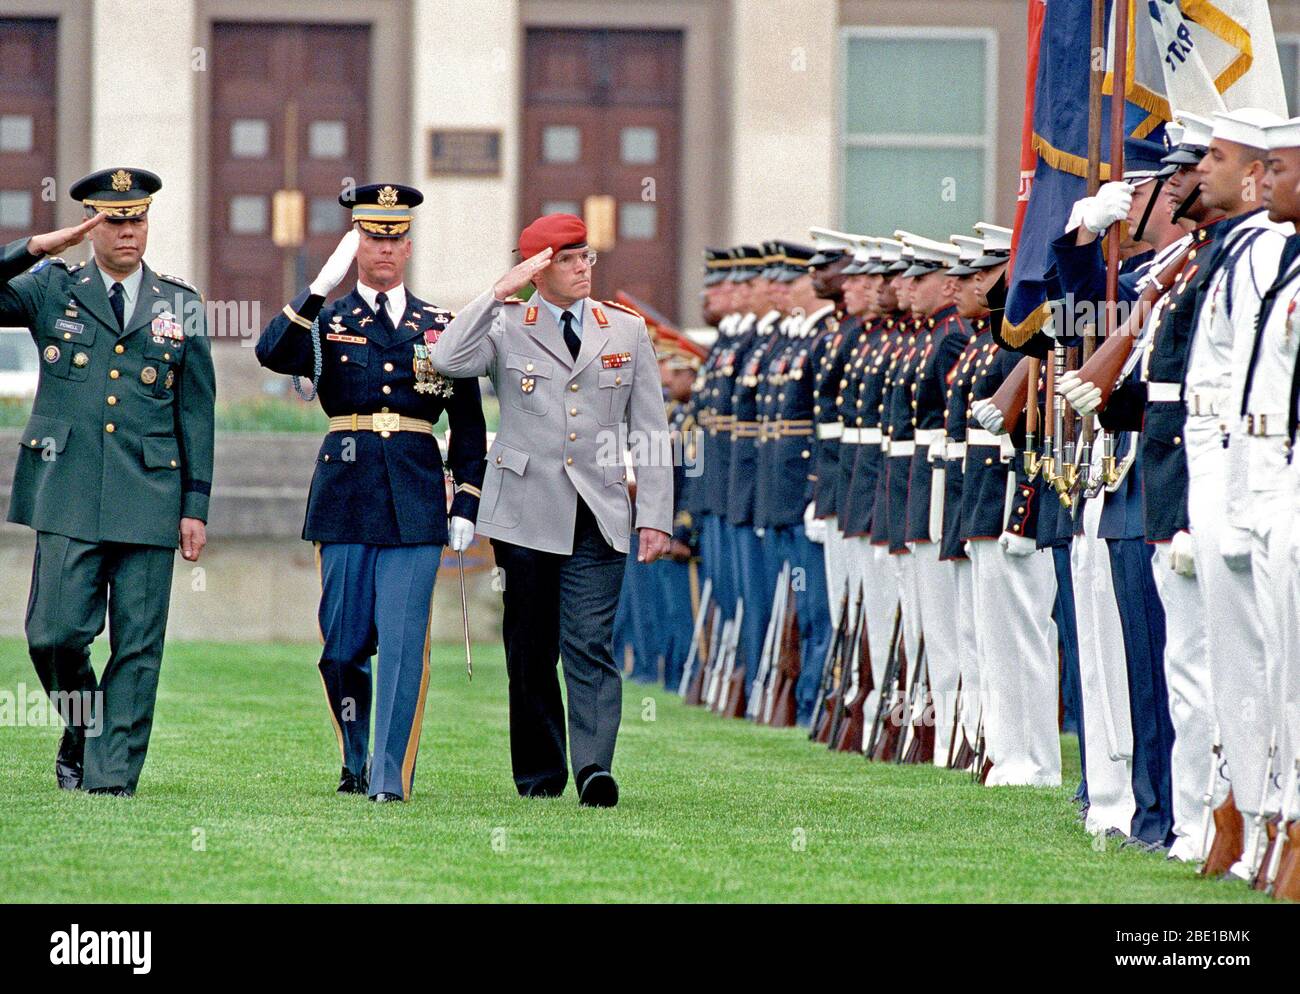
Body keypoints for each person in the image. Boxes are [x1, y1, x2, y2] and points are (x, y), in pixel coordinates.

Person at [426, 213, 673, 807]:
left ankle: (593, 769)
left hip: (600, 509)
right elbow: (448, 359)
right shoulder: (507, 325)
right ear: (538, 268)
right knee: (531, 647)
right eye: (567, 258)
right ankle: (540, 774)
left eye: (586, 255)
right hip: (526, 509)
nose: (584, 267)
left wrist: (656, 515)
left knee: (589, 643)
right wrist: (497, 291)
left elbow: (652, 430)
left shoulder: (625, 331)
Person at [256, 183, 486, 803]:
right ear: (356, 243)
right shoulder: (329, 321)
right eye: (371, 236)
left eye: (394, 237)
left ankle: (390, 778)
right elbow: (271, 353)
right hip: (346, 495)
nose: (384, 248)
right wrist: (315, 287)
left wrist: (466, 501)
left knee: (405, 642)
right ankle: (355, 758)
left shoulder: (440, 326)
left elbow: (469, 425)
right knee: (343, 646)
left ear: (408, 246)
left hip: (414, 498)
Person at [0, 167, 214, 796]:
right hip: (65, 487)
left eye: (137, 219)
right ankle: (81, 728)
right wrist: (36, 247)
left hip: (150, 493)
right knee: (53, 635)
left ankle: (110, 777)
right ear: (92, 225)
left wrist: (195, 504)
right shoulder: (50, 290)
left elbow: (196, 411)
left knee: (138, 647)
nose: (128, 231)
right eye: (115, 220)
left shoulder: (181, 304)